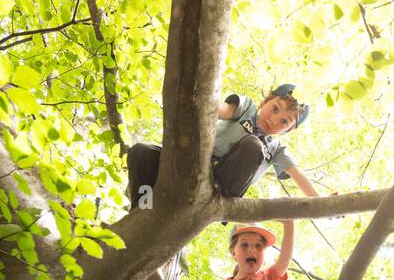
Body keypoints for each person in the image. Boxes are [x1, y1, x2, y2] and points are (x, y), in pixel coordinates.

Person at [127, 85, 321, 208]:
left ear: (288, 130)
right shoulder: (247, 109)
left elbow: (297, 174)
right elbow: (221, 110)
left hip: (226, 183)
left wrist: (321, 201)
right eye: (275, 109)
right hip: (196, 160)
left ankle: (217, 189)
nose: (274, 119)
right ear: (265, 101)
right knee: (141, 153)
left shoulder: (275, 149)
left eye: (284, 121)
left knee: (254, 145)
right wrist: (197, 104)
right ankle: (143, 206)